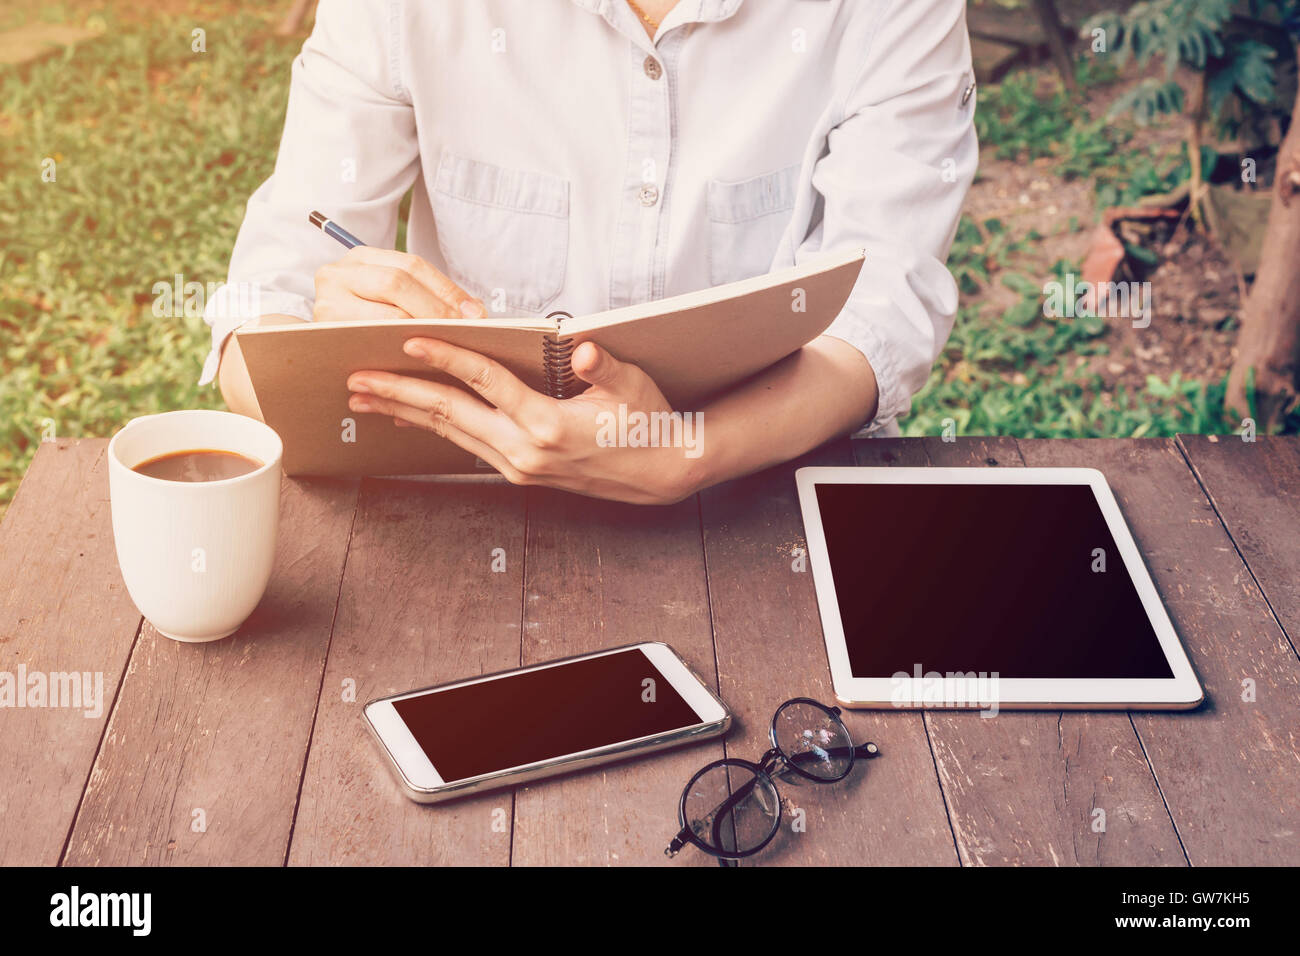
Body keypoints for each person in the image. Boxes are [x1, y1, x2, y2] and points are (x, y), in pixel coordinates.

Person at [205, 0, 977, 504]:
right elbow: (263, 310)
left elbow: (881, 311)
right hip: (470, 503)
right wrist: (311, 342)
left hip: (762, 487)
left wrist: (686, 454)